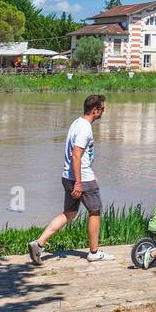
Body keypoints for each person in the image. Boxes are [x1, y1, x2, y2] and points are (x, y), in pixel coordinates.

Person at [28, 94, 114, 264]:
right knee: (95, 211)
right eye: (102, 109)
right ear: (95, 110)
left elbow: (80, 156)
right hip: (80, 179)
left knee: (69, 214)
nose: (103, 112)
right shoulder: (85, 128)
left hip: (68, 175)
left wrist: (87, 171)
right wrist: (80, 182)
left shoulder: (77, 123)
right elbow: (76, 155)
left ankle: (38, 244)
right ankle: (94, 252)